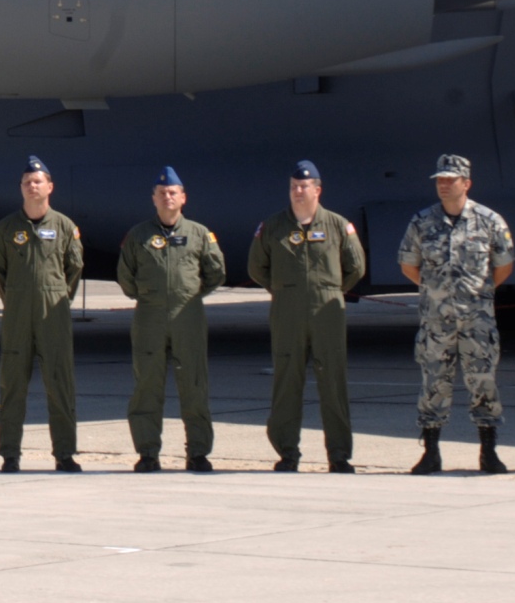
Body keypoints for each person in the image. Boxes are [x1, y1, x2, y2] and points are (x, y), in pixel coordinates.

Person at [398, 154, 515, 475]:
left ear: (466, 183)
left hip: (477, 323)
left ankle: (488, 452)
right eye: (440, 180)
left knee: (484, 384)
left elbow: (503, 265)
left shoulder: (490, 221)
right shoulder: (422, 222)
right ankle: (431, 453)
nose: (444, 185)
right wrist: (435, 289)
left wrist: (477, 290)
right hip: (436, 322)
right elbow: (409, 264)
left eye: (451, 180)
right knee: (434, 384)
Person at [248, 160, 366, 473]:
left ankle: (339, 456)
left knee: (333, 383)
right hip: (287, 314)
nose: (298, 192)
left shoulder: (338, 225)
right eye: (293, 187)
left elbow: (356, 267)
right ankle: (287, 453)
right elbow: (256, 267)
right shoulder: (273, 226)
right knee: (287, 382)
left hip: (327, 313)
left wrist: (329, 290)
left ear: (317, 190)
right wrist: (284, 290)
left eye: (304, 186)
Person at [117, 167, 225, 472]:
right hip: (149, 318)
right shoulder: (139, 235)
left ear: (183, 198)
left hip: (187, 317)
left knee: (194, 385)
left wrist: (188, 295)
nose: (168, 197)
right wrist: (150, 296)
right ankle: (148, 453)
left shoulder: (199, 234)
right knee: (147, 387)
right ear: (153, 198)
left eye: (173, 192)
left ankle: (199, 453)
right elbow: (126, 276)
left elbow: (215, 272)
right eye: (162, 193)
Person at [0, 156, 83, 473]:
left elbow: (74, 268)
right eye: (27, 182)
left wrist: (54, 295)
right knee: (12, 384)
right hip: (16, 314)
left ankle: (65, 454)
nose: (32, 186)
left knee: (60, 383)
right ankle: (10, 454)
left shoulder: (64, 227)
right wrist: (16, 298)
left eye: (38, 181)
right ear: (21, 188)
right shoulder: (5, 228)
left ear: (50, 186)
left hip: (53, 313)